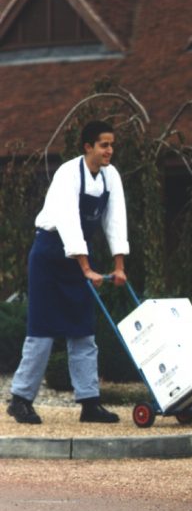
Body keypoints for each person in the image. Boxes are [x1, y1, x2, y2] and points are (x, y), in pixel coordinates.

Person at [6, 120, 129, 424]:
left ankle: (90, 403)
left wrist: (118, 267)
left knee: (83, 331)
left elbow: (115, 220)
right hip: (49, 255)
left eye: (111, 145)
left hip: (78, 258)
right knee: (42, 332)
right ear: (88, 147)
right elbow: (70, 222)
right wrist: (87, 268)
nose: (109, 151)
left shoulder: (110, 177)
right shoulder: (67, 174)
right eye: (104, 145)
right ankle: (20, 399)